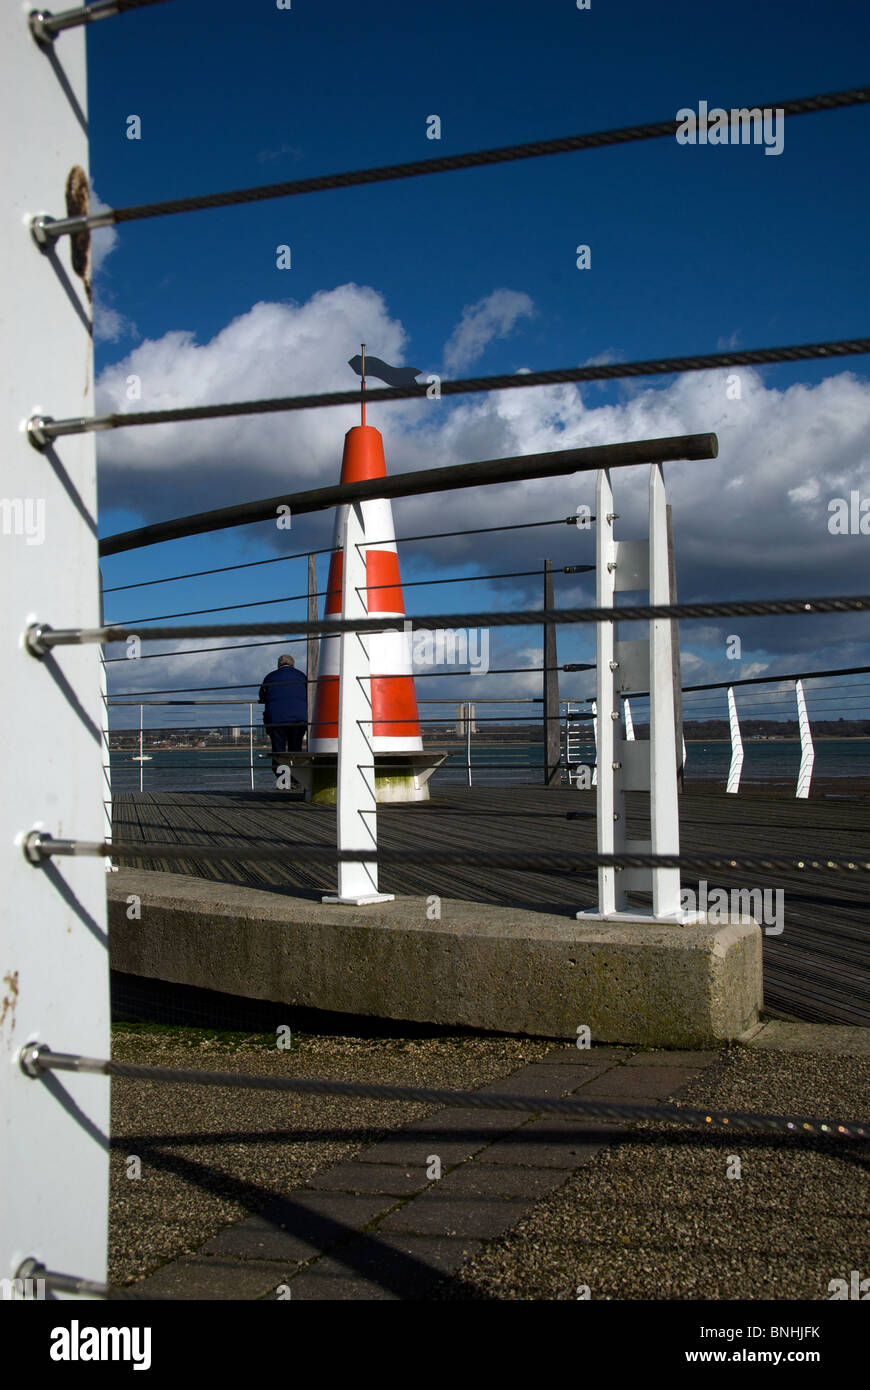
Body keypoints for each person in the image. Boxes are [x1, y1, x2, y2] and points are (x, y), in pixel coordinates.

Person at [258, 654, 307, 785]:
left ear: (278, 665)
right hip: (298, 719)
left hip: (276, 719)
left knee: (278, 750)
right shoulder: (301, 676)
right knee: (295, 749)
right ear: (293, 664)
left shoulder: (270, 677)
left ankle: (283, 781)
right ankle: (296, 779)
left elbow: (262, 696)